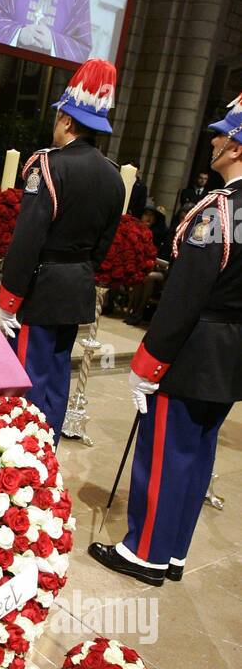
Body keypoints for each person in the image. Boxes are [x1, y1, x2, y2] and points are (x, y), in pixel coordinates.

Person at [89, 93, 242, 586]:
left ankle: (146, 552)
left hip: (194, 348)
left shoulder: (220, 208)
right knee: (197, 454)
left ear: (238, 146)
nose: (215, 141)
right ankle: (173, 549)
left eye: (223, 134)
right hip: (230, 353)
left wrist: (148, 362)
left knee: (165, 452)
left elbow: (185, 295)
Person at [0, 58, 125, 444]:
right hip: (77, 283)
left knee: (28, 371)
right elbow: (105, 242)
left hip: (42, 286)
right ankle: (47, 445)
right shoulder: (114, 176)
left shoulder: (48, 166)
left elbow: (29, 238)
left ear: (67, 121)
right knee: (56, 372)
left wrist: (9, 296)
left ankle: (24, 451)